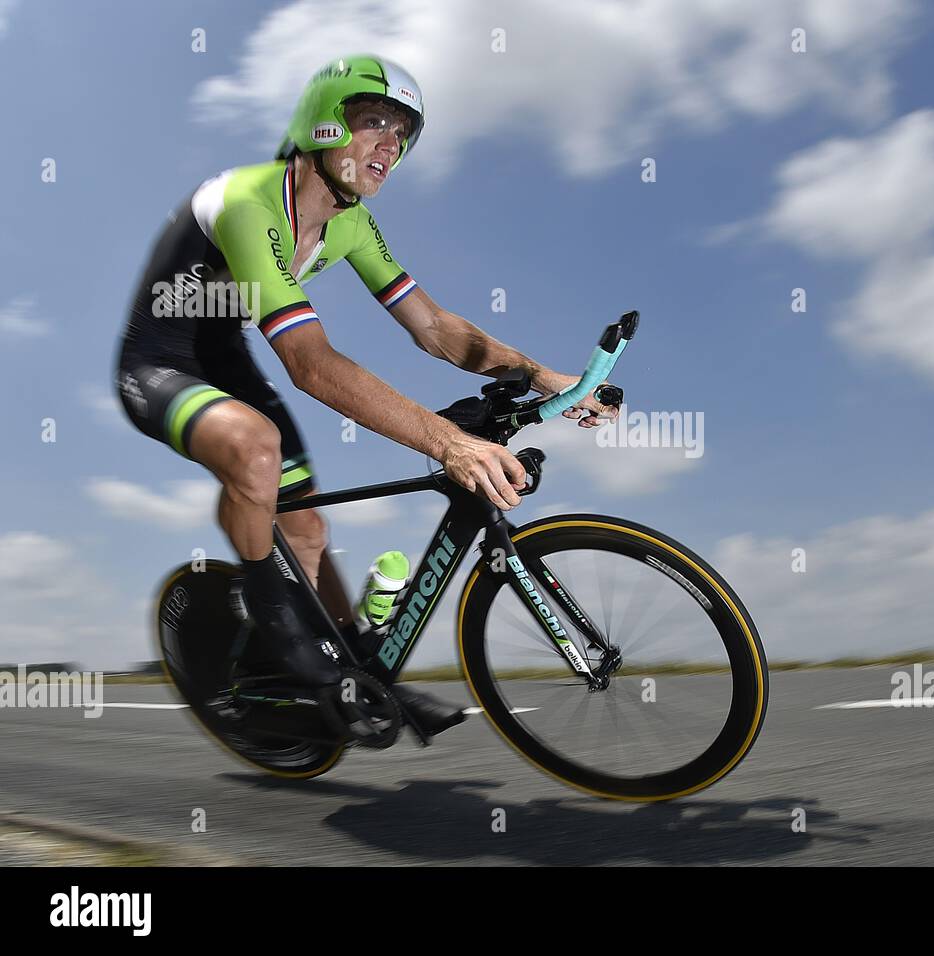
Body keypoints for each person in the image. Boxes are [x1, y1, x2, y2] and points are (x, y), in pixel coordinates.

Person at [115, 54, 615, 739]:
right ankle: (273, 618)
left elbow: (435, 329)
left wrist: (542, 375)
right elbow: (310, 364)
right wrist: (447, 442)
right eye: (374, 122)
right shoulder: (247, 201)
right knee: (255, 452)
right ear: (322, 126)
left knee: (309, 530)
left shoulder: (349, 224)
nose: (392, 144)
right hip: (158, 363)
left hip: (226, 363)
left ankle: (358, 671)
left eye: (403, 133)